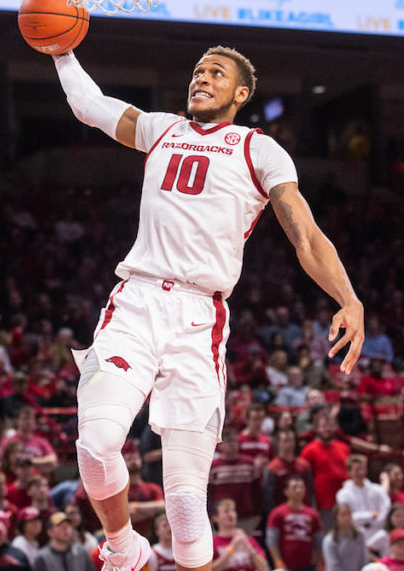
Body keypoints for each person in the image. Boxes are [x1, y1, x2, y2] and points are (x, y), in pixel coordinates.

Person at [52, 45, 365, 571]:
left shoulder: (259, 150)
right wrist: (60, 50)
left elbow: (304, 235)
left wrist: (349, 299)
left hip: (201, 318)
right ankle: (124, 546)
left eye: (216, 73)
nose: (201, 78)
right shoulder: (161, 130)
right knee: (98, 443)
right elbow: (89, 103)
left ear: (241, 94)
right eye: (197, 71)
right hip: (137, 301)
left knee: (187, 507)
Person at [266, 475, 323, 571]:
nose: (298, 490)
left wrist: (320, 562)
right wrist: (278, 563)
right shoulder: (277, 513)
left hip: (308, 565)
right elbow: (272, 541)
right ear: (286, 491)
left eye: (301, 487)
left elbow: (318, 540)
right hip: (285, 566)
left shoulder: (313, 514)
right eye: (294, 487)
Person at [335, 454, 390, 542]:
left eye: (363, 468)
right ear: (349, 472)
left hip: (378, 533)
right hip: (357, 537)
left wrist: (376, 522)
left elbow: (385, 507)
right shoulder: (343, 494)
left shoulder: (377, 489)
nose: (360, 472)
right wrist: (371, 515)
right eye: (357, 469)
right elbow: (350, 517)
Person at [211, 500, 267, 571]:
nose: (231, 514)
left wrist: (248, 546)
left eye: (233, 510)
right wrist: (232, 547)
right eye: (226, 511)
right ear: (215, 518)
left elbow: (264, 568)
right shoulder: (212, 542)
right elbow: (213, 569)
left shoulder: (248, 540)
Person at [321, 503, 367, 571]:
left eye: (349, 514)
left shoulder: (359, 535)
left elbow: (363, 559)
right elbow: (333, 566)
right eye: (343, 515)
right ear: (336, 517)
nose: (347, 518)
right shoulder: (329, 540)